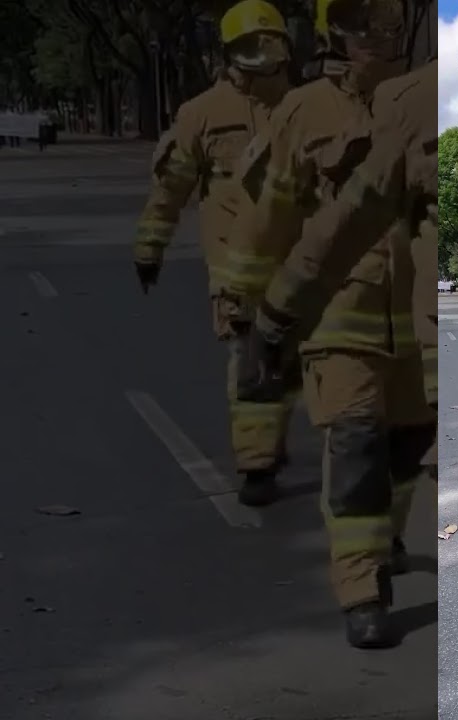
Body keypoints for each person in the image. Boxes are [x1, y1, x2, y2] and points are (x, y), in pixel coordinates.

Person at [222, 0, 427, 650]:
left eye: (390, 23)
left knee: (406, 445)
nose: (380, 37)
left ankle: (383, 540)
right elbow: (266, 220)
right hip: (337, 314)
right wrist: (247, 307)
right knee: (357, 445)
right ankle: (362, 589)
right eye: (363, 23)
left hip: (413, 320)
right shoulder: (302, 112)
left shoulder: (421, 101)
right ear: (332, 31)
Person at [132, 0, 294, 507]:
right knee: (250, 363)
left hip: (307, 262)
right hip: (238, 268)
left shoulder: (303, 107)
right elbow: (170, 187)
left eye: (271, 44)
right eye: (252, 47)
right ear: (229, 54)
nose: (263, 57)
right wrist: (150, 246)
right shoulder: (201, 114)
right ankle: (257, 465)